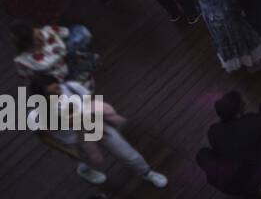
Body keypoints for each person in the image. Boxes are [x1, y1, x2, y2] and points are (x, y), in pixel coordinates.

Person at [27, 73, 168, 188]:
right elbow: (44, 137)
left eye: (58, 88)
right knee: (87, 160)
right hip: (76, 143)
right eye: (51, 94)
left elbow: (92, 101)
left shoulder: (72, 87)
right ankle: (84, 170)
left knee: (127, 152)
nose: (58, 94)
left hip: (96, 126)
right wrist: (67, 151)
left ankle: (147, 172)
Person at [196, 91, 261, 195]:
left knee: (203, 153)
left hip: (232, 183)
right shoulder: (254, 120)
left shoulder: (214, 132)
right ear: (239, 111)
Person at [11, 22, 97, 86]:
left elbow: (78, 33)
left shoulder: (48, 31)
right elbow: (28, 80)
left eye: (38, 33)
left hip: (78, 68)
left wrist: (74, 51)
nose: (41, 39)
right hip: (61, 84)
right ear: (26, 45)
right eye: (35, 40)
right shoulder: (23, 61)